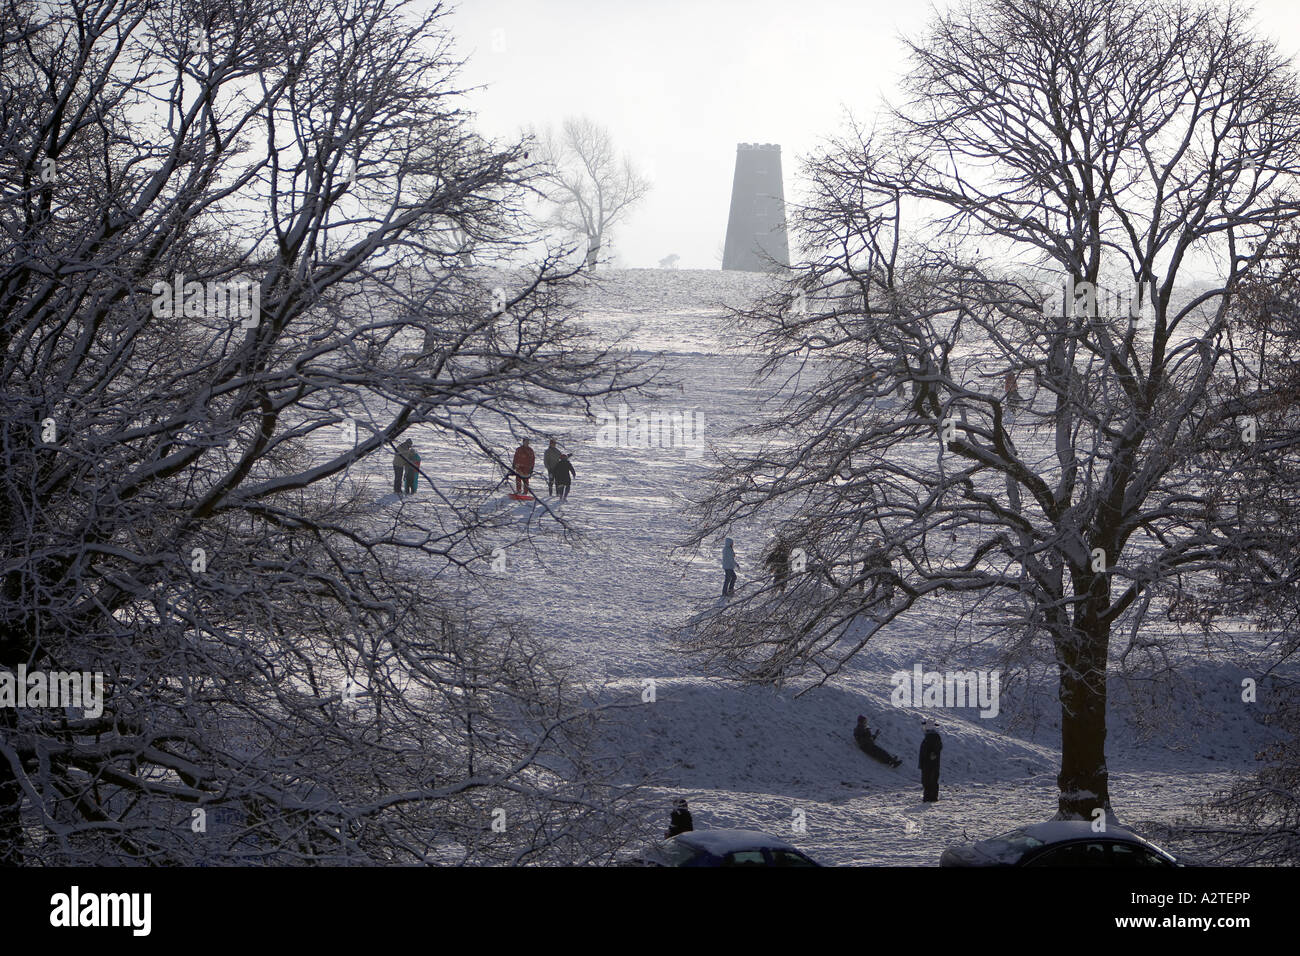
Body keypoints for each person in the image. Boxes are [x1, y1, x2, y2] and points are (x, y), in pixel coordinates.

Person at [919, 721, 943, 802]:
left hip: (930, 764)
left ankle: (930, 797)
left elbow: (936, 749)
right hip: (929, 763)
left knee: (929, 780)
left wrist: (933, 755)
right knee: (929, 780)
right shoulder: (931, 737)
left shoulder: (932, 737)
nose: (924, 728)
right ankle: (930, 797)